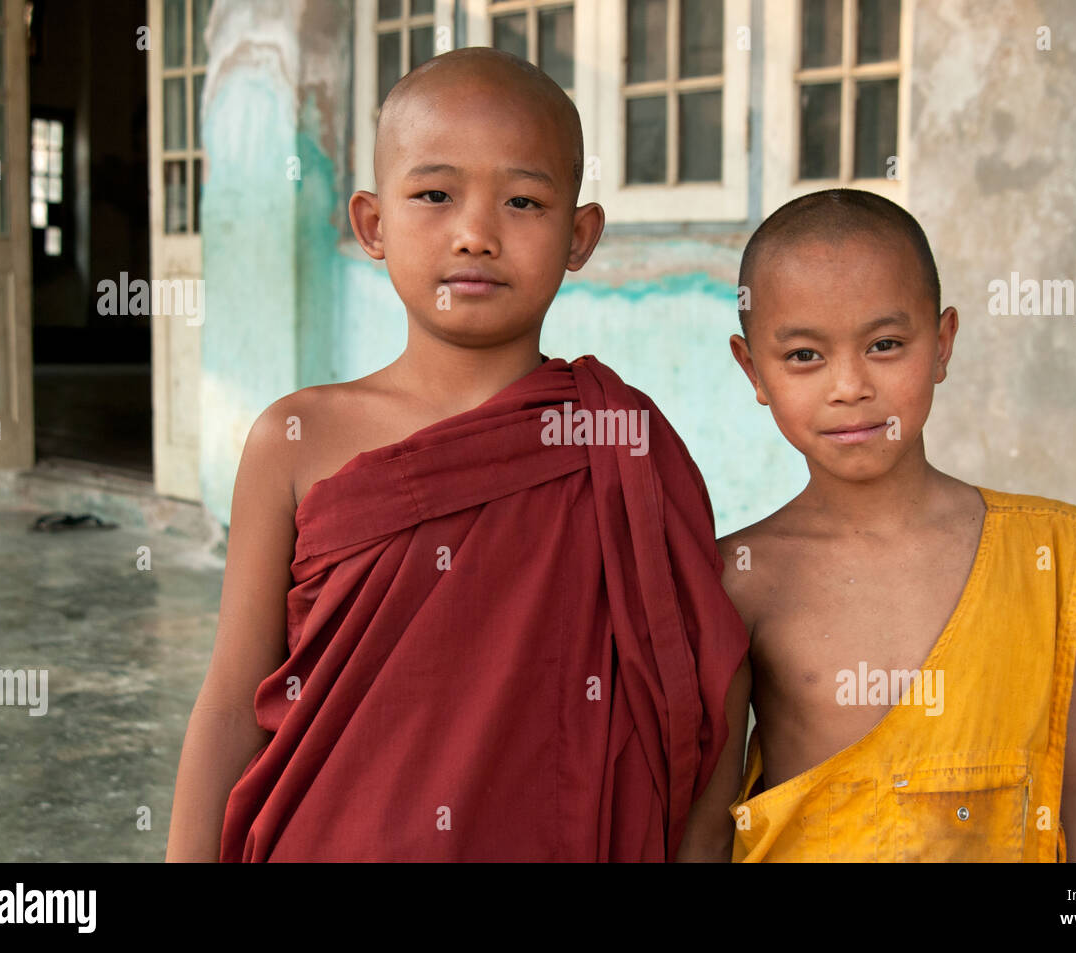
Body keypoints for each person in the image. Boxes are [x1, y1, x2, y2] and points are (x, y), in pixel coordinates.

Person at [165, 48, 749, 862]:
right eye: (434, 195)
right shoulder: (294, 439)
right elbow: (232, 701)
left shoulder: (618, 439)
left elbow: (704, 687)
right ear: (372, 224)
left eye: (523, 200)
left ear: (580, 237)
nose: (476, 234)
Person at [720, 188, 1076, 862]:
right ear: (754, 370)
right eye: (804, 356)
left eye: (885, 343)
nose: (849, 385)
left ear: (942, 344)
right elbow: (711, 808)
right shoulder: (741, 574)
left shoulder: (1037, 555)